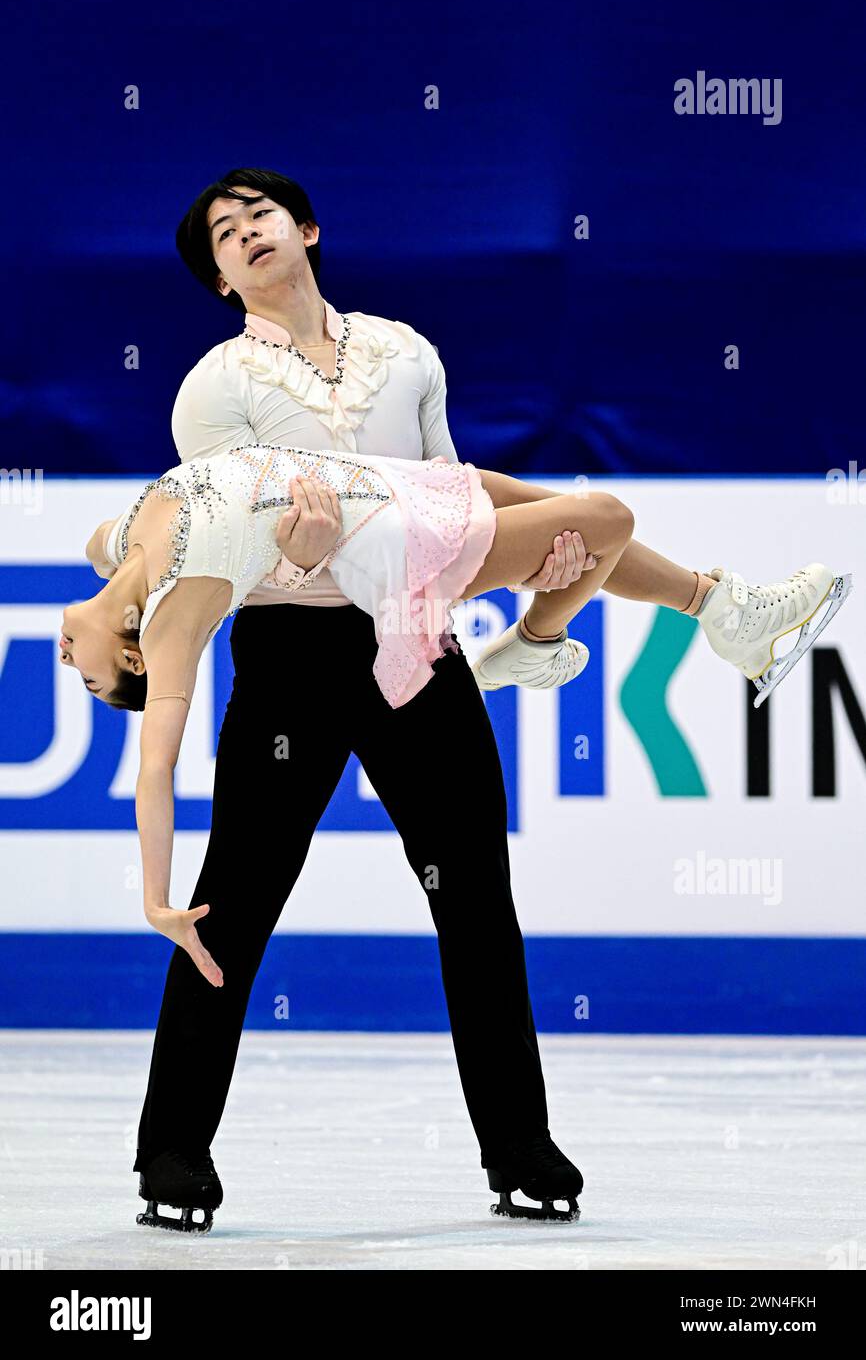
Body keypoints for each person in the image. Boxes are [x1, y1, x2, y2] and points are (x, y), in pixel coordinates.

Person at [61, 167, 850, 1234]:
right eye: (221, 232)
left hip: (413, 635)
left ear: (306, 229)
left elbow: (443, 499)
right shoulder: (214, 386)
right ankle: (172, 1160)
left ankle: (518, 1151)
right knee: (232, 906)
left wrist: (523, 554)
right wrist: (314, 554)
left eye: (259, 215)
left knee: (474, 893)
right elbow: (221, 550)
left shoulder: (404, 353)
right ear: (215, 277)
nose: (244, 232)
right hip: (294, 653)